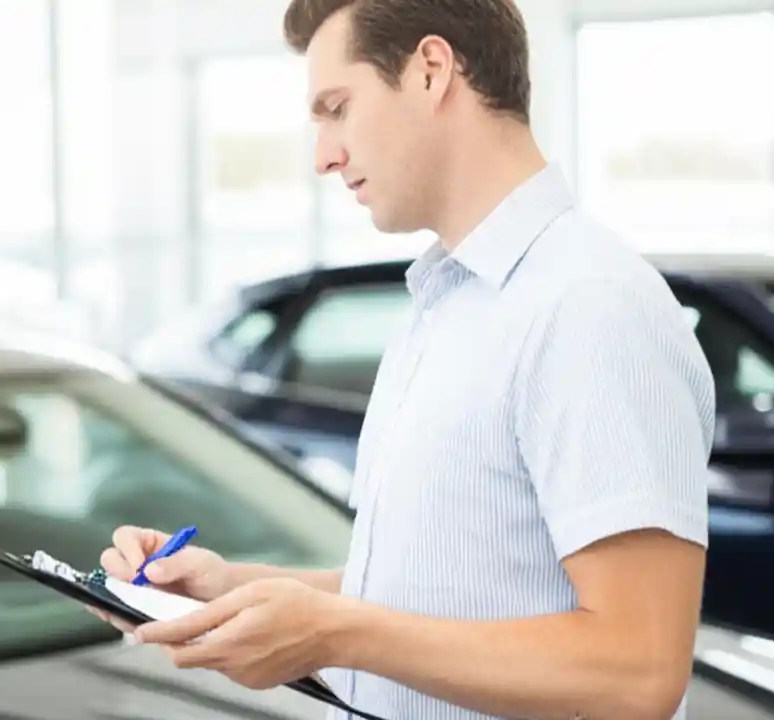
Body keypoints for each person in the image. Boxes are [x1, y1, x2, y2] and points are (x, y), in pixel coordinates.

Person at [96, 1, 715, 718]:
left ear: (429, 71)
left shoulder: (590, 306)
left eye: (337, 109)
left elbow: (636, 670)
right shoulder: (451, 302)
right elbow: (438, 593)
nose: (323, 155)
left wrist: (335, 633)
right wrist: (233, 591)